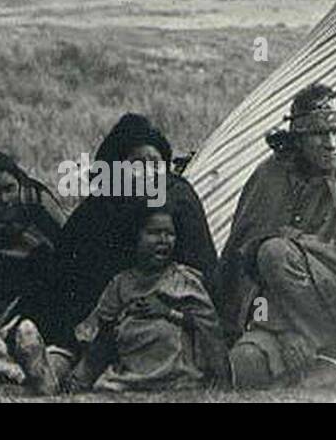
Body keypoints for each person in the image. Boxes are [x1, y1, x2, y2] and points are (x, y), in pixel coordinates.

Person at [219, 84, 336, 390]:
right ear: (298, 139)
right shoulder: (270, 177)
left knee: (276, 253)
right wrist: (282, 328)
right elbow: (244, 272)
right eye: (319, 134)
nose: (332, 143)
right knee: (244, 364)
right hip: (281, 314)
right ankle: (328, 363)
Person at [52, 113, 218, 353]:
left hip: (167, 314)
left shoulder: (178, 200)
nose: (148, 172)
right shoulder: (100, 206)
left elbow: (201, 273)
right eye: (137, 165)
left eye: (155, 164)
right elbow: (69, 272)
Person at [70, 205, 226, 391]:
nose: (163, 240)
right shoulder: (121, 283)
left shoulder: (184, 281)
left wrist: (167, 312)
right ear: (136, 237)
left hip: (177, 376)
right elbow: (99, 328)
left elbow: (207, 327)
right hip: (129, 370)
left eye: (169, 233)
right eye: (153, 232)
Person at [0, 149, 69, 394]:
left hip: (50, 313)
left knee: (60, 347)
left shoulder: (40, 218)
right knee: (18, 334)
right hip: (3, 323)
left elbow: (68, 256)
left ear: (20, 185)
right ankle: (31, 368)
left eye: (9, 188)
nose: (4, 199)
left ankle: (44, 374)